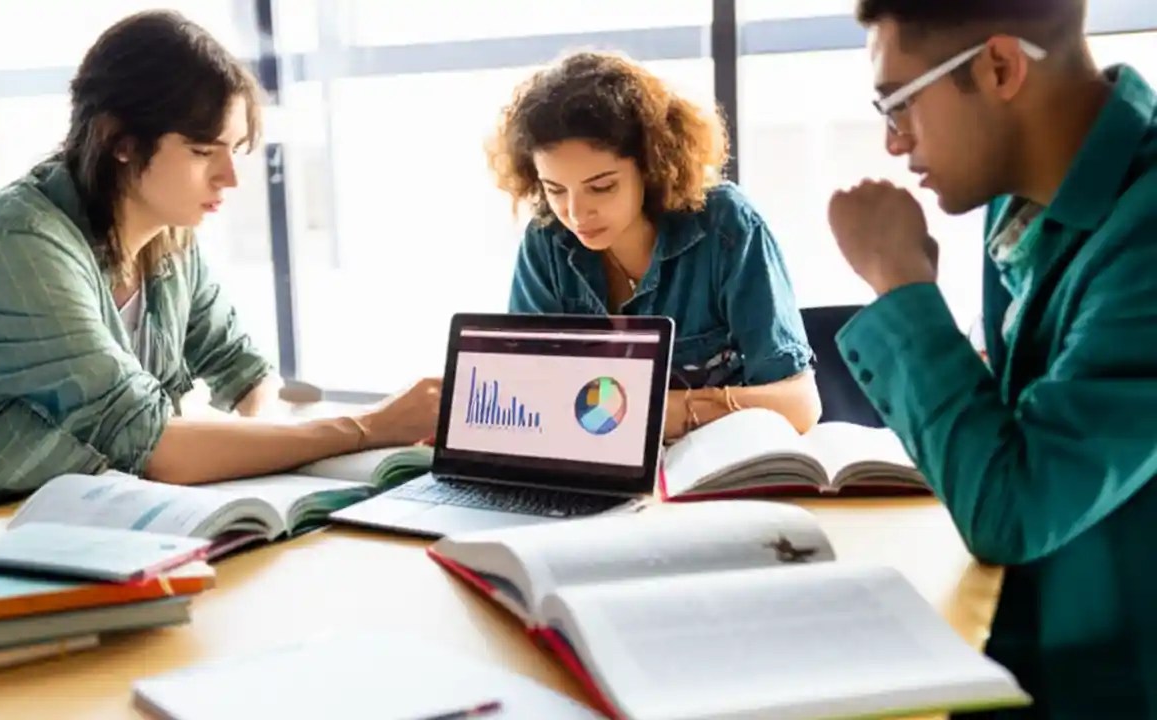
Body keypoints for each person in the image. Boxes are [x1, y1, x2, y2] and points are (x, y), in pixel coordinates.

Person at [0, 11, 440, 529]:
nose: (229, 178)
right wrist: (365, 427)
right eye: (201, 152)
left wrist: (266, 447)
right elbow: (157, 449)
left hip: (64, 527)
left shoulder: (169, 234)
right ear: (119, 140)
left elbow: (244, 371)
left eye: (233, 149)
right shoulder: (18, 244)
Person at [829, 0, 1157, 715]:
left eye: (898, 102)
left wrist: (900, 282)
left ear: (1000, 66)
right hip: (1021, 648)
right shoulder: (1017, 202)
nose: (893, 142)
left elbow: (1014, 507)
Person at [488, 50, 820, 441]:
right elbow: (526, 400)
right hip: (597, 473)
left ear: (651, 165)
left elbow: (800, 404)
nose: (576, 213)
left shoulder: (725, 226)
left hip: (715, 470)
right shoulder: (546, 241)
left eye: (602, 187)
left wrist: (663, 412)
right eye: (555, 189)